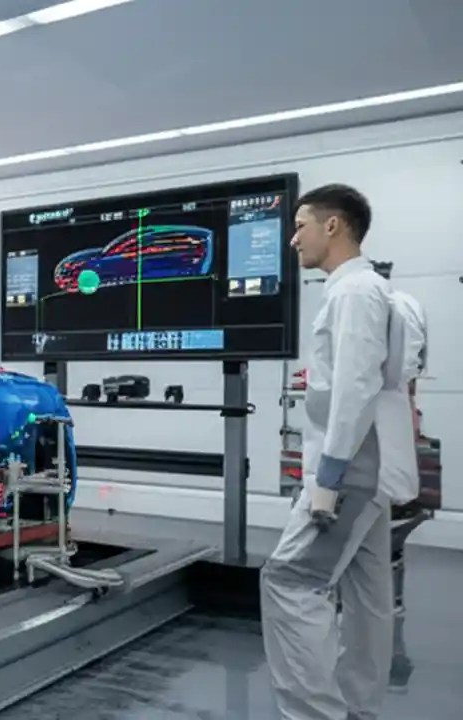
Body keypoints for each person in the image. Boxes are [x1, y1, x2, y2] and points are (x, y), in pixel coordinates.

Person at [260, 184, 419, 720]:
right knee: (368, 594)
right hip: (369, 471)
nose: (292, 238)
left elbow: (355, 389)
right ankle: (359, 711)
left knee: (289, 580)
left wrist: (325, 483)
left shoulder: (352, 293)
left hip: (348, 470)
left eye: (300, 224)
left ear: (333, 227)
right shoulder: (369, 290)